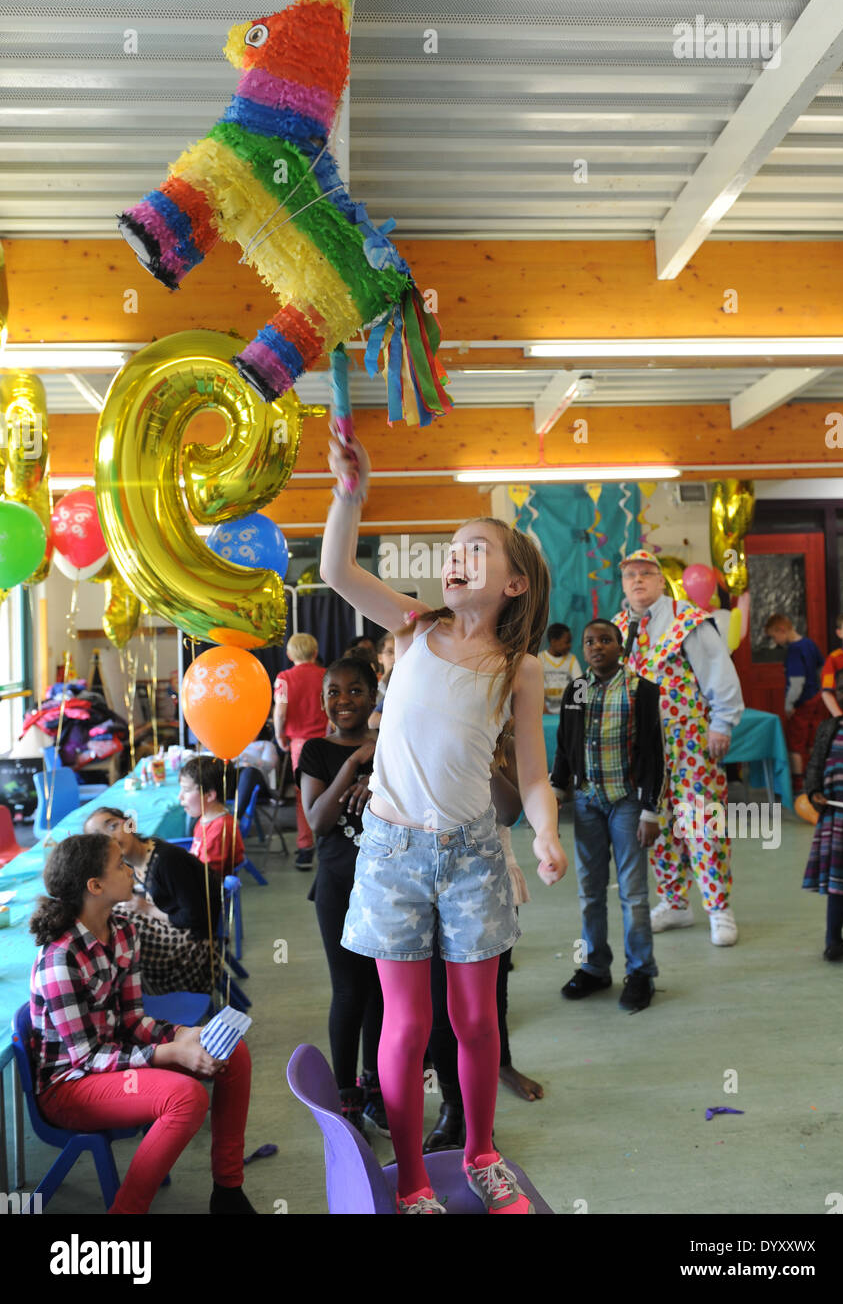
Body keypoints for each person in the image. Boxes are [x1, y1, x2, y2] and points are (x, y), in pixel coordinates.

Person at [321, 431, 567, 1216]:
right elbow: (335, 571)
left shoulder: (519, 669)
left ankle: (482, 1152)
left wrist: (547, 833)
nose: (455, 556)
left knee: (472, 1018)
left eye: (476, 549)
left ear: (515, 584)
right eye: (452, 547)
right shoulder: (412, 628)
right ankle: (417, 1180)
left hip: (470, 856)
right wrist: (349, 495)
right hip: (392, 851)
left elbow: (531, 771)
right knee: (407, 1022)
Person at [29, 831, 254, 1215]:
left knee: (235, 1051)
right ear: (95, 886)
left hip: (112, 1060)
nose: (129, 868)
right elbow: (86, 1058)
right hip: (70, 1086)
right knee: (186, 1097)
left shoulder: (122, 930)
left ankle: (228, 1192)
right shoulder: (59, 960)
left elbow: (132, 1019)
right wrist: (169, 1052)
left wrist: (185, 1034)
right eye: (119, 864)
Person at [613, 550, 744, 946]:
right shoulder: (619, 628)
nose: (637, 581)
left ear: (659, 580)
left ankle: (718, 908)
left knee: (702, 823)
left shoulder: (689, 621)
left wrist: (721, 724)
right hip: (643, 748)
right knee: (655, 824)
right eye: (630, 575)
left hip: (690, 740)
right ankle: (674, 902)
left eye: (645, 574)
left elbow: (719, 672)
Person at [424, 719, 542, 1154]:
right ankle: (452, 1108)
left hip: (491, 886)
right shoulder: (426, 731)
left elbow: (510, 811)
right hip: (434, 883)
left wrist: (478, 748)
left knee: (490, 1003)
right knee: (439, 1007)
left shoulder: (506, 742)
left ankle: (482, 1115)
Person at [551, 619, 666, 1011]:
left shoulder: (642, 691)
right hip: (587, 803)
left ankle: (641, 972)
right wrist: (557, 789)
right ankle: (595, 968)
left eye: (605, 640)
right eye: (590, 641)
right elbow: (565, 745)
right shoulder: (577, 689)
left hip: (627, 804)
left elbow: (655, 755)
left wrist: (652, 810)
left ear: (620, 645)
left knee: (633, 894)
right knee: (589, 891)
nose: (597, 646)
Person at [295, 657, 386, 1140]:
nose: (343, 700)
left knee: (381, 994)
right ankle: (345, 1092)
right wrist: (353, 763)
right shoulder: (315, 751)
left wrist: (377, 772)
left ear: (373, 696)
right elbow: (318, 822)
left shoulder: (393, 747)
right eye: (334, 692)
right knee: (349, 989)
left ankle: (375, 1086)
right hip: (338, 887)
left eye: (355, 691)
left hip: (390, 887)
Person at [83, 806, 221, 995]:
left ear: (130, 825)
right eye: (101, 838)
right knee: (114, 921)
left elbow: (194, 918)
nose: (111, 838)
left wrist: (146, 909)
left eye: (113, 826)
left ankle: (118, 998)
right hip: (177, 928)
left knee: (118, 926)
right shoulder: (137, 858)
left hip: (196, 946)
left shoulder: (166, 861)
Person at [802, 661, 843, 961]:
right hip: (839, 819)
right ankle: (833, 938)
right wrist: (814, 792)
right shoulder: (830, 727)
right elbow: (815, 764)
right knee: (840, 879)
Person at [273, 632, 328, 871]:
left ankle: (305, 847)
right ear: (315, 653)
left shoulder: (284, 678)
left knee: (302, 795)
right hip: (328, 741)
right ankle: (328, 842)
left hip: (300, 745)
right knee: (330, 791)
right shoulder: (326, 675)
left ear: (289, 654)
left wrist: (279, 735)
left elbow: (280, 712)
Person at [764, 613, 827, 793]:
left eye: (774, 636)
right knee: (813, 740)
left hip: (802, 702)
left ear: (781, 630)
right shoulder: (809, 643)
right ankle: (816, 780)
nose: (776, 641)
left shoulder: (794, 650)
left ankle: (798, 785)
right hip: (816, 697)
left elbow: (797, 681)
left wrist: (789, 705)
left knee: (796, 744)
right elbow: (821, 667)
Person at [179, 756, 245, 881]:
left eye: (186, 790)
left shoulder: (219, 829)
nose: (180, 796)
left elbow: (206, 878)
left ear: (209, 795)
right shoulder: (205, 818)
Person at [539, 623, 581, 714]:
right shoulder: (539, 659)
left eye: (570, 642)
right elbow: (534, 689)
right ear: (553, 642)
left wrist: (575, 710)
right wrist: (543, 709)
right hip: (544, 711)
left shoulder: (571, 659)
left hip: (567, 711)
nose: (570, 646)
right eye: (567, 642)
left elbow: (580, 684)